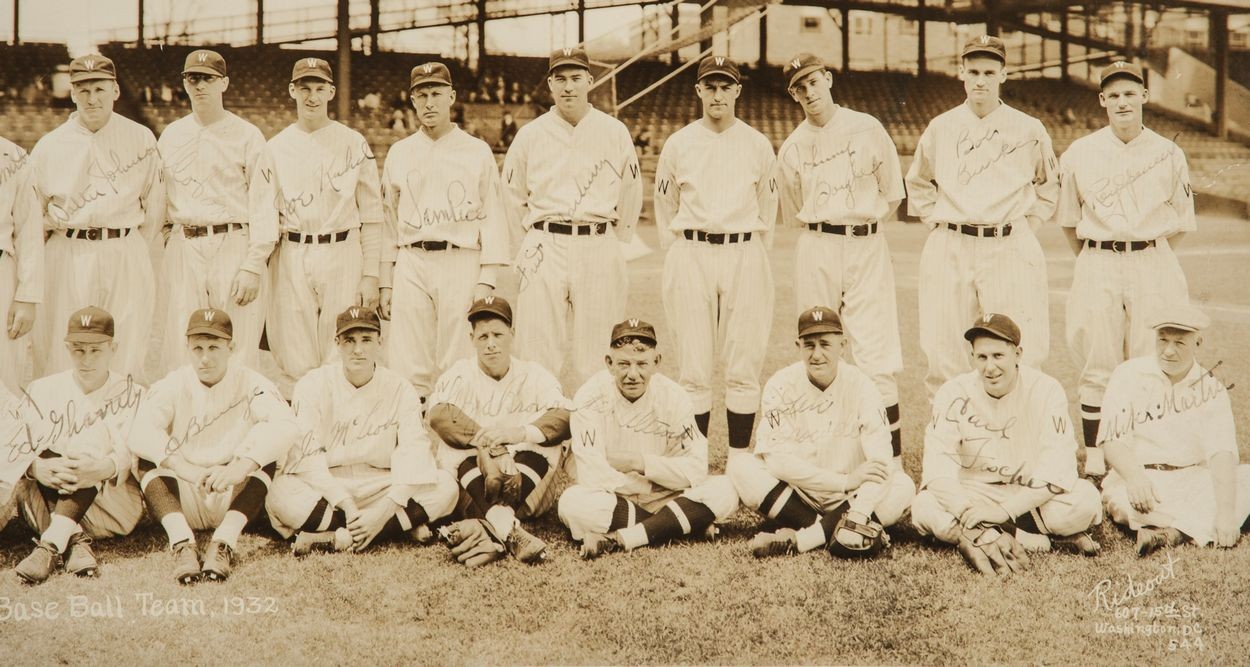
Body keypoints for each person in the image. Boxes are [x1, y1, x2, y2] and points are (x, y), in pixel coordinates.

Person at [1055, 61, 1196, 477]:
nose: (1122, 101)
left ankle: (1144, 449)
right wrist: (1098, 253)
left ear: (1144, 97)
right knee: (1097, 356)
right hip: (1097, 257)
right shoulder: (1081, 151)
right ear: (1101, 101)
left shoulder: (1168, 151)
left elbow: (1182, 221)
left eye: (1130, 93)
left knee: (1150, 358)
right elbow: (1068, 221)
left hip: (1152, 258)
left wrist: (1148, 249)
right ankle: (1097, 453)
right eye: (1113, 94)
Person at [904, 35, 1059, 399]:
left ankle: (1016, 441)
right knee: (943, 348)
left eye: (989, 72)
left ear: (1004, 73)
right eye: (973, 71)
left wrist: (1027, 225)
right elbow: (918, 181)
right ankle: (951, 445)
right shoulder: (941, 127)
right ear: (961, 72)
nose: (980, 81)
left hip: (1009, 243)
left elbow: (1049, 186)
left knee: (1021, 346)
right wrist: (938, 222)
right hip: (951, 243)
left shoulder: (1028, 127)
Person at [776, 53, 907, 464]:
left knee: (876, 354)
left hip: (866, 242)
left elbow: (892, 194)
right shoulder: (793, 146)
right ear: (793, 95)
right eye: (799, 86)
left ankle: (893, 462)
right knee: (818, 348)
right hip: (817, 243)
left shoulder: (867, 128)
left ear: (828, 79)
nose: (808, 91)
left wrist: (860, 227)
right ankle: (824, 455)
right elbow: (793, 206)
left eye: (813, 81)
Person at [652, 55, 777, 456]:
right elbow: (664, 207)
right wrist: (680, 255)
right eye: (711, 86)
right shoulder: (679, 142)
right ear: (698, 91)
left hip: (744, 252)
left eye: (726, 86)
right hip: (691, 251)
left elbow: (768, 210)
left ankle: (739, 460)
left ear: (738, 90)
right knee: (694, 370)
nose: (718, 93)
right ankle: (695, 463)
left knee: (743, 367)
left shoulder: (758, 144)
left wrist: (752, 252)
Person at [911, 313, 1102, 575]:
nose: (990, 367)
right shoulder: (953, 392)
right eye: (982, 357)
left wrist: (1002, 511)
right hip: (975, 493)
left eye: (998, 356)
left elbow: (1058, 471)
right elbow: (937, 471)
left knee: (1086, 500)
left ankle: (983, 534)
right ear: (973, 358)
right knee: (923, 505)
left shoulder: (1046, 389)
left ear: (1018, 354)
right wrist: (968, 510)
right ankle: (1017, 538)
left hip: (1027, 494)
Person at [501, 46, 642, 387]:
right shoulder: (531, 134)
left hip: (597, 239)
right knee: (536, 349)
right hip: (544, 242)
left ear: (590, 81)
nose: (568, 87)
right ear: (549, 84)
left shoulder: (613, 131)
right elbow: (510, 195)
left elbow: (631, 191)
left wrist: (615, 241)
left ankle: (591, 436)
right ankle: (539, 437)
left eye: (576, 78)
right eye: (559, 79)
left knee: (596, 351)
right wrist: (527, 246)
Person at [266, 306, 459, 555]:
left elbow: (414, 454)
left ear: (380, 341)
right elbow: (308, 459)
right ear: (337, 343)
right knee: (279, 492)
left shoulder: (400, 387)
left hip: (381, 483)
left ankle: (337, 536)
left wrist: (383, 511)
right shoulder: (312, 385)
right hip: (329, 484)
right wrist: (345, 503)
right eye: (349, 340)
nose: (358, 349)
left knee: (446, 486)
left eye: (366, 340)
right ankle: (396, 527)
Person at [129, 308, 299, 584]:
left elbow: (286, 426)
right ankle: (182, 542)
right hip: (185, 493)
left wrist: (241, 465)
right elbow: (139, 432)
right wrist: (185, 468)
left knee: (266, 456)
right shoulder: (175, 382)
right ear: (187, 348)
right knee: (147, 457)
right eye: (197, 348)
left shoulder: (251, 382)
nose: (205, 357)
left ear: (231, 347)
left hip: (233, 492)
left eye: (214, 347)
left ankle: (224, 542)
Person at [729, 307, 914, 559]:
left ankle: (803, 539)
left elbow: (880, 462)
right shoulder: (780, 383)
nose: (817, 354)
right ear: (798, 346)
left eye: (825, 344)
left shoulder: (863, 386)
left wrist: (858, 508)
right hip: (800, 493)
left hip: (852, 496)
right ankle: (837, 531)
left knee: (902, 485)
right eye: (809, 345)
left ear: (843, 345)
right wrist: (843, 481)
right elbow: (777, 462)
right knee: (740, 467)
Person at [27, 54, 163, 383]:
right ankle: (64, 424)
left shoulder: (141, 138)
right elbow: (34, 211)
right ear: (71, 93)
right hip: (69, 250)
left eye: (100, 89)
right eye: (83, 90)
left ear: (115, 90)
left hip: (124, 248)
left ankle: (123, 422)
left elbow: (156, 206)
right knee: (64, 342)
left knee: (126, 341)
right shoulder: (49, 145)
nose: (92, 98)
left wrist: (129, 246)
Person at [379, 62, 509, 400]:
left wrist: (487, 278)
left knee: (459, 356)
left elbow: (494, 215)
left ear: (452, 96)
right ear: (411, 100)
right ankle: (412, 435)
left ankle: (458, 442)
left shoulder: (476, 150)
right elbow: (388, 221)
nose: (429, 103)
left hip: (460, 257)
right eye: (421, 95)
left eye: (436, 93)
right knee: (408, 356)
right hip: (411, 257)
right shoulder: (399, 152)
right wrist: (385, 279)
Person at [559, 318, 739, 559]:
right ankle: (678, 524)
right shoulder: (588, 397)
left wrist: (639, 463)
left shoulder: (675, 397)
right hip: (614, 497)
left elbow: (696, 468)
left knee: (726, 489)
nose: (633, 374)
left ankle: (622, 538)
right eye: (624, 364)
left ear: (656, 362)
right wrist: (658, 480)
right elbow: (593, 475)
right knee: (572, 504)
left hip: (664, 495)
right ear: (609, 363)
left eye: (642, 364)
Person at [156, 49, 277, 377]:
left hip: (233, 242)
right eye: (192, 78)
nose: (199, 85)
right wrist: (171, 236)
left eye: (208, 78)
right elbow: (160, 200)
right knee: (181, 344)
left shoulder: (248, 135)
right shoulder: (171, 135)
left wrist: (253, 265)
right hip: (185, 243)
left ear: (224, 83)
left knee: (237, 343)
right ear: (184, 83)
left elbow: (265, 205)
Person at [264, 58, 383, 389]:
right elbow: (264, 213)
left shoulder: (353, 142)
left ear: (331, 91)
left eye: (319, 89)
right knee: (293, 348)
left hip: (342, 248)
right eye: (304, 88)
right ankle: (304, 431)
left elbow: (373, 215)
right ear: (292, 91)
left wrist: (371, 274)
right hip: (292, 249)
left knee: (341, 347)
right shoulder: (275, 147)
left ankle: (341, 434)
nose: (311, 97)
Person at [5, 307, 145, 584]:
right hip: (45, 504)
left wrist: (103, 467)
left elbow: (139, 456)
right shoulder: (42, 388)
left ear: (113, 347)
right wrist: (36, 468)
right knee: (40, 439)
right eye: (78, 350)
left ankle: (53, 543)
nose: (86, 359)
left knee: (89, 438)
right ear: (67, 348)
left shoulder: (134, 392)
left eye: (96, 350)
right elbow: (13, 445)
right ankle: (74, 539)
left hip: (111, 508)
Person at [427, 297, 571, 566]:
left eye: (497, 334)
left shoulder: (534, 374)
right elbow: (437, 415)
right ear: (472, 339)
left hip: (529, 491)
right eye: (482, 336)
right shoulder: (460, 374)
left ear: (512, 334)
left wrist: (518, 433)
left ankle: (493, 524)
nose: (490, 343)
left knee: (546, 440)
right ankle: (509, 531)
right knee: (451, 445)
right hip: (476, 487)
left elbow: (565, 417)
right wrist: (493, 445)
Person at [1099, 304, 1250, 555]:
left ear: (1198, 343)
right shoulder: (1128, 375)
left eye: (1179, 343)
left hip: (1191, 479)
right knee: (1125, 503)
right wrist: (1134, 477)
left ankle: (1171, 534)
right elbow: (1111, 440)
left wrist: (1224, 514)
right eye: (1162, 340)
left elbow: (1221, 452)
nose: (1168, 351)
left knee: (1246, 479)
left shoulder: (1211, 388)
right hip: (1142, 479)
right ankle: (1193, 527)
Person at [0, 134, 40, 394]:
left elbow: (30, 229)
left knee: (5, 372)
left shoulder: (13, 156)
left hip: (2, 267)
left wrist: (27, 296)